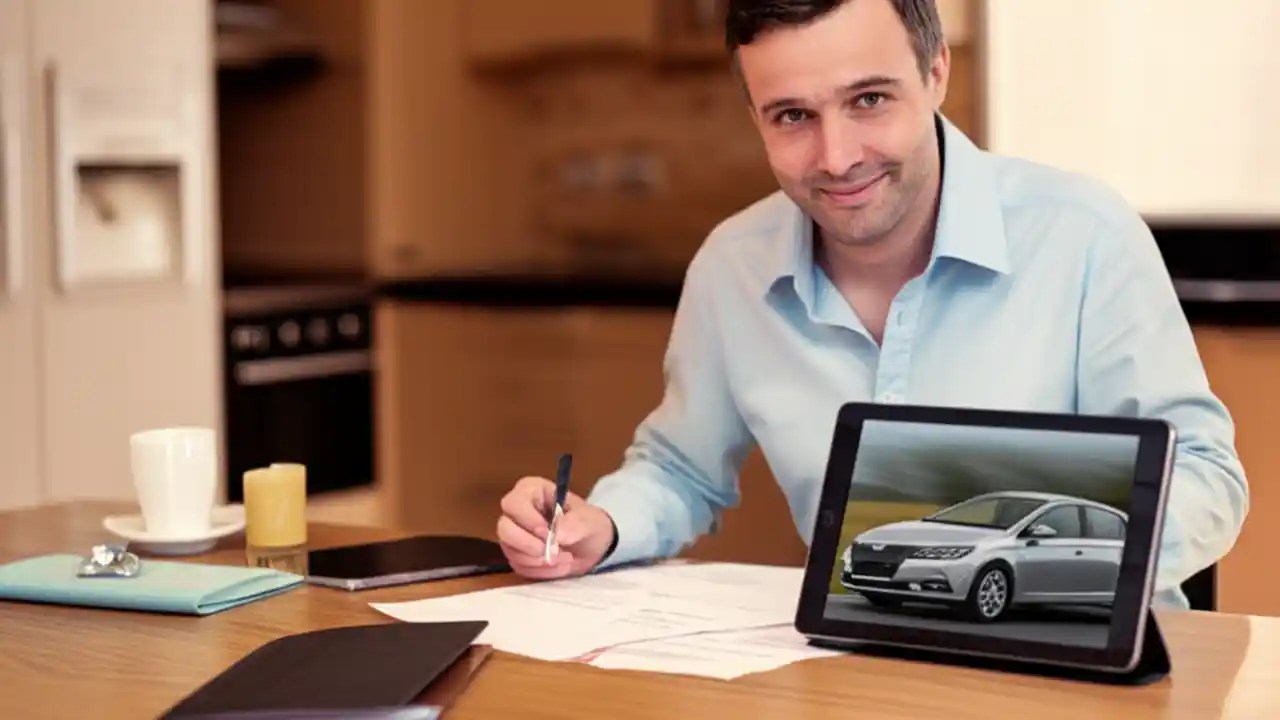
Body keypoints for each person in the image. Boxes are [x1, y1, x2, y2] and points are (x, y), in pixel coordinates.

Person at [494, 0, 1248, 608]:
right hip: (865, 665)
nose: (837, 157)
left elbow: (1206, 474)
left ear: (936, 71)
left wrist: (1075, 567)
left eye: (869, 100)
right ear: (756, 116)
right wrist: (600, 525)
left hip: (1083, 664)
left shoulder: (1084, 236)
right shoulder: (732, 266)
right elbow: (680, 469)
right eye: (792, 116)